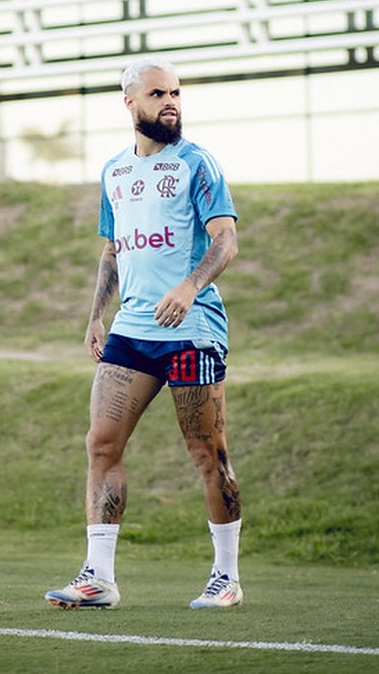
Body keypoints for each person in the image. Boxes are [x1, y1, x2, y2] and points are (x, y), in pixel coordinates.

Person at [44, 58, 243, 610]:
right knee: (101, 444)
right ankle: (98, 578)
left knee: (208, 454)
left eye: (177, 91)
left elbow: (225, 242)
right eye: (158, 93)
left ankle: (226, 577)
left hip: (191, 330)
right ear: (130, 102)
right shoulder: (113, 172)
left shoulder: (197, 165)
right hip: (131, 331)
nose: (171, 101)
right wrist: (94, 315)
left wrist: (188, 287)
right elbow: (112, 249)